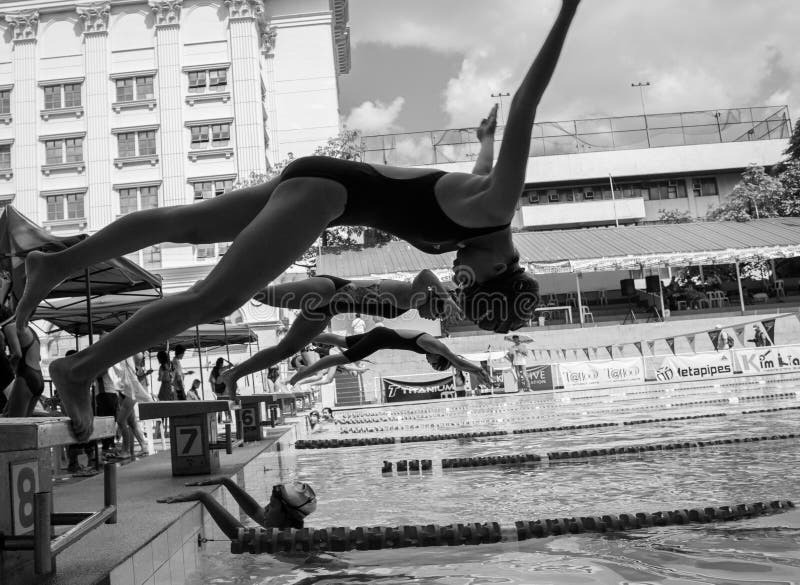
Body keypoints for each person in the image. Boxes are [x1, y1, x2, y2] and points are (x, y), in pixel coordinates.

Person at [14, 0, 579, 440]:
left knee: (179, 223)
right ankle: (82, 369)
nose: (462, 269)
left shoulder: (484, 211)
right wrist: (569, 12)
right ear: (504, 264)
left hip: (318, 179)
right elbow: (528, 102)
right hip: (324, 198)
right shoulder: (498, 208)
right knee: (214, 300)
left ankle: (55, 262)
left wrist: (485, 141)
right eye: (475, 276)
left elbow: (483, 167)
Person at [289, 328, 490, 386]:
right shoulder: (435, 345)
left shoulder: (433, 347)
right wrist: (478, 369)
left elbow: (456, 360)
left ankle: (303, 336)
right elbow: (456, 360)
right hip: (380, 339)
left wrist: (475, 370)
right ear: (439, 357)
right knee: (341, 358)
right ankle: (299, 376)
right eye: (433, 363)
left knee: (341, 341)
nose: (428, 361)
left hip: (380, 336)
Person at [158, 478, 316, 538]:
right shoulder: (286, 527)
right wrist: (227, 482)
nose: (266, 508)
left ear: (286, 515)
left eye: (272, 505)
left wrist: (203, 496)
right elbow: (255, 512)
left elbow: (238, 535)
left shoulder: (285, 543)